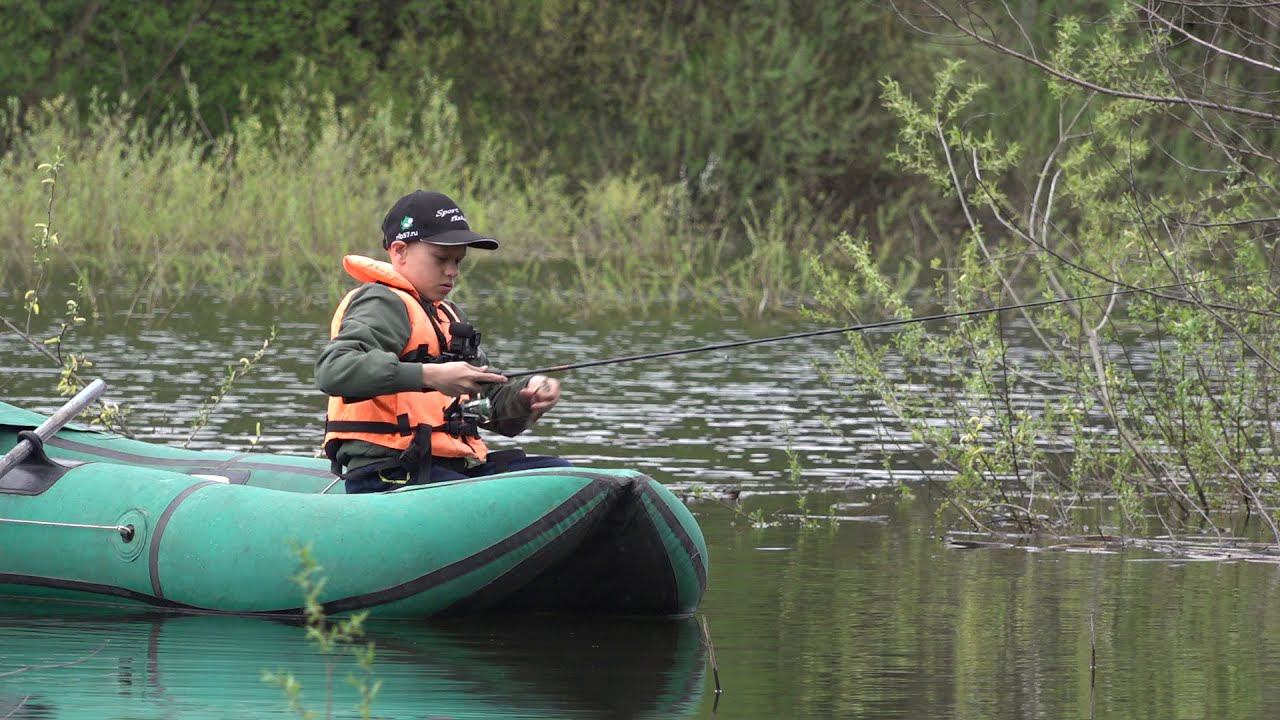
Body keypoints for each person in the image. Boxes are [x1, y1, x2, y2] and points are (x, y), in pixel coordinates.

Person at [316, 190, 570, 493]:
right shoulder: (382, 302)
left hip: (448, 467)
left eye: (458, 261)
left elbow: (491, 406)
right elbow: (333, 369)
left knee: (562, 474)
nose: (452, 271)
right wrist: (429, 375)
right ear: (400, 251)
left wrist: (528, 396)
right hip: (389, 473)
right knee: (480, 493)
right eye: (441, 259)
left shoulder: (447, 316)